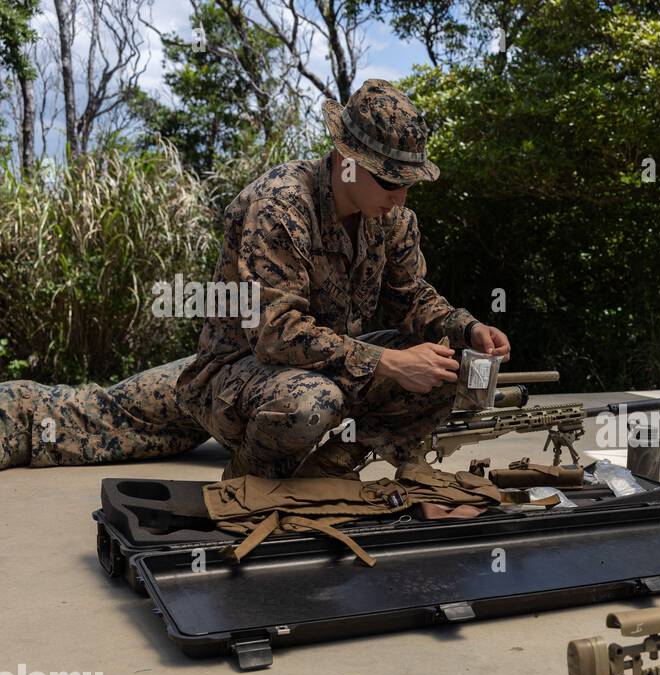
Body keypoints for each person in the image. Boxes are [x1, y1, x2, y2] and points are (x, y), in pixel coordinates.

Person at [0, 78, 508, 478]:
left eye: (408, 183)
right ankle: (261, 477)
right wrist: (388, 361)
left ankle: (345, 457)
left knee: (450, 366)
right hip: (238, 367)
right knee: (102, 416)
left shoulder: (391, 217)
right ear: (349, 163)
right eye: (391, 181)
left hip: (322, 365)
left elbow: (410, 298)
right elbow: (276, 333)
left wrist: (467, 330)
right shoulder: (281, 204)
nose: (401, 197)